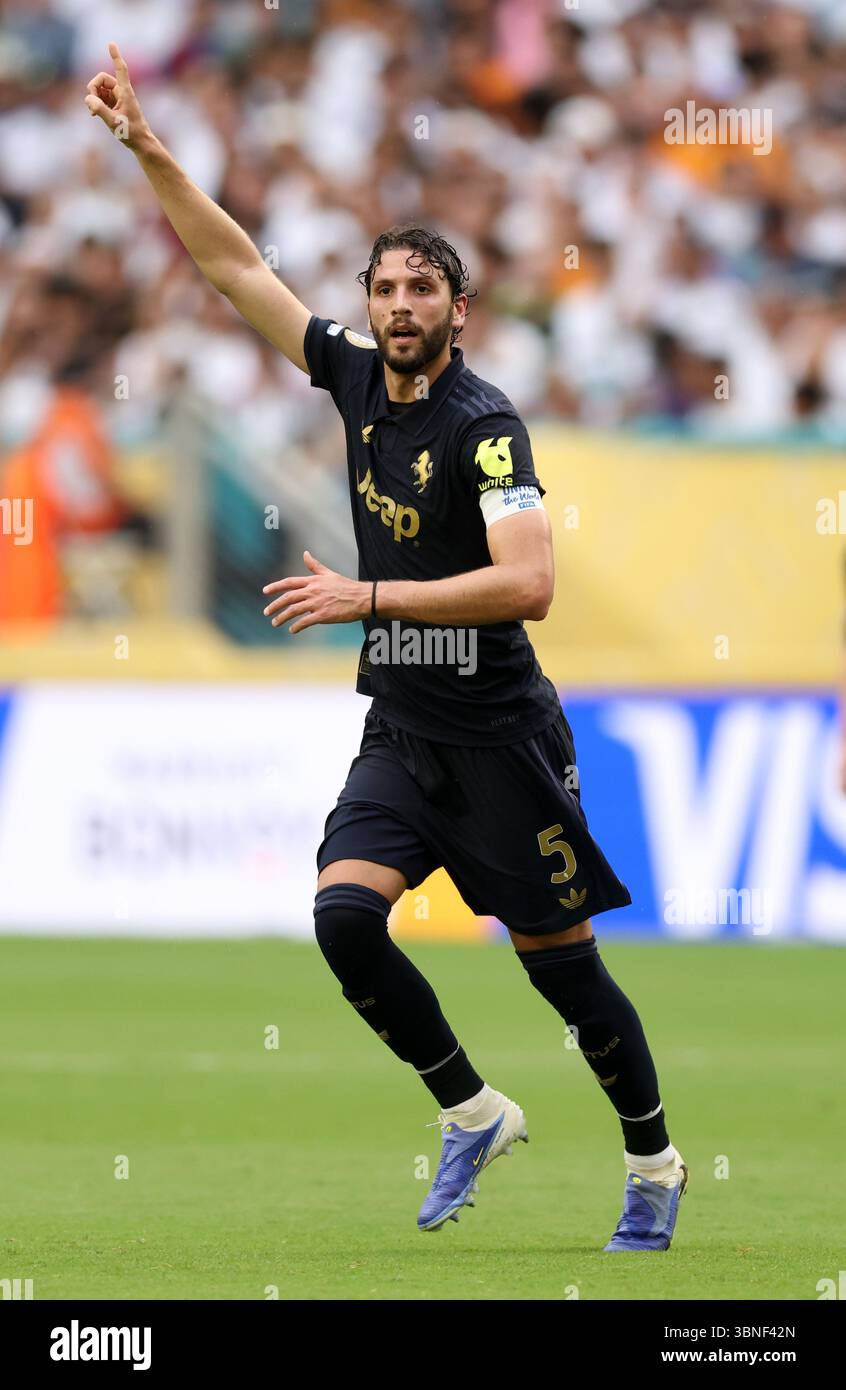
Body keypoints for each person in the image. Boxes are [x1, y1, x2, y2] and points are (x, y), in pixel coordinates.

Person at [85, 43, 688, 1250]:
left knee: (562, 973)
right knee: (344, 919)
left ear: (458, 313)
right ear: (370, 304)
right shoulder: (355, 381)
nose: (401, 309)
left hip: (506, 741)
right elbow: (234, 268)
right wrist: (149, 150)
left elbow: (532, 582)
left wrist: (372, 598)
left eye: (424, 291)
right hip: (405, 734)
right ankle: (471, 1109)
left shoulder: (488, 426)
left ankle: (656, 1159)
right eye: (386, 289)